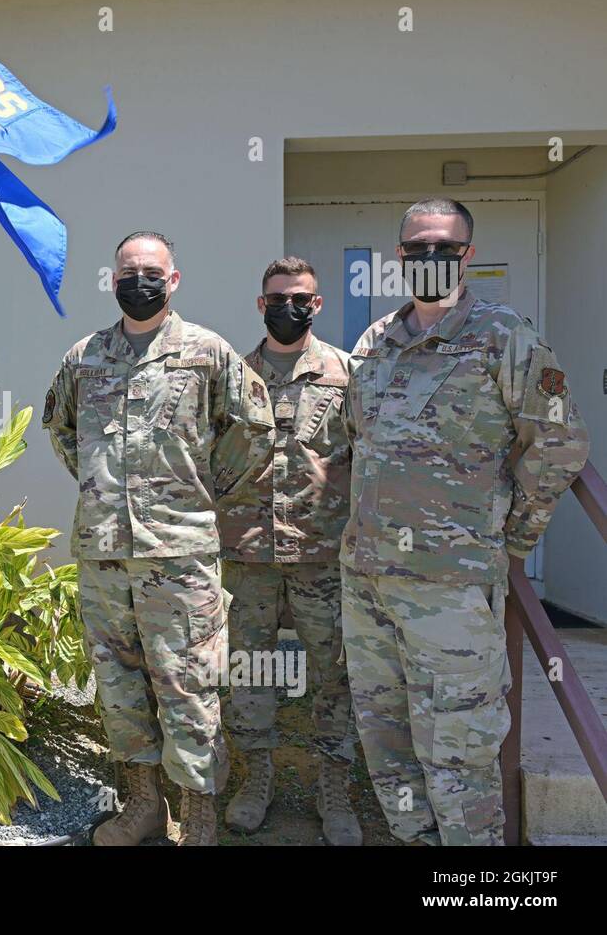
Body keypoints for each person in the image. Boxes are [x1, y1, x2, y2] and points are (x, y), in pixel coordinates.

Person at [342, 197, 589, 845]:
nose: (430, 257)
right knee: (386, 741)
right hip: (367, 583)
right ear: (400, 257)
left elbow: (559, 444)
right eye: (417, 246)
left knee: (459, 753)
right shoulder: (375, 342)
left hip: (450, 587)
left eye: (444, 247)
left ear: (467, 256)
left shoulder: (505, 338)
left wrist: (514, 539)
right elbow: (357, 440)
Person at [43, 231, 274, 845]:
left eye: (151, 271)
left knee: (189, 686)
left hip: (180, 555)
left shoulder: (208, 353)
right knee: (118, 688)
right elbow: (62, 429)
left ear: (173, 280)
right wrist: (104, 489)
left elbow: (252, 431)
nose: (138, 280)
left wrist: (198, 490)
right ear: (112, 279)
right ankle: (143, 806)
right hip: (104, 556)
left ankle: (200, 819)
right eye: (127, 270)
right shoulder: (84, 357)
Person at [218, 256, 360, 844]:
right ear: (260, 304)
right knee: (249, 672)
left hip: (321, 555)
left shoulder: (346, 374)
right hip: (248, 555)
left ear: (317, 304)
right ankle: (256, 781)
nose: (288, 307)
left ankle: (336, 792)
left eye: (299, 297)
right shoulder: (232, 375)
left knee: (334, 674)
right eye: (277, 297)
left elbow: (367, 459)